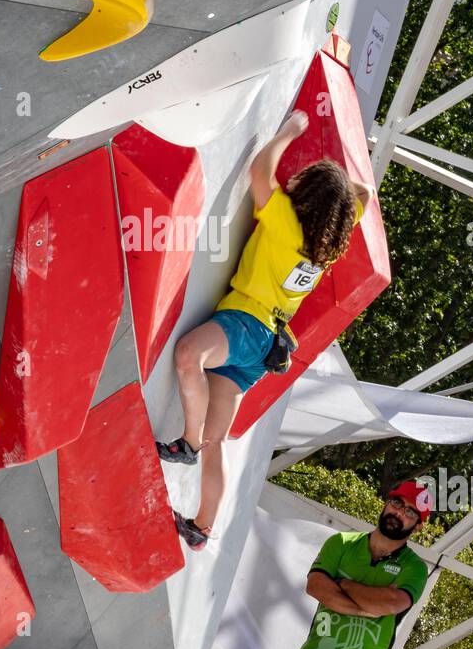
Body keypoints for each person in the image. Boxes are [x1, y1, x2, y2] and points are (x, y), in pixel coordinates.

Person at [156, 108, 374, 549]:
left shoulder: (284, 221)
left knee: (187, 356)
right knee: (222, 441)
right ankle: (200, 528)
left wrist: (292, 131)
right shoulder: (326, 246)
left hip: (247, 323)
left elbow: (261, 169)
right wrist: (334, 191)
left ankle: (188, 443)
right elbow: (364, 194)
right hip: (267, 349)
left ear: (306, 195)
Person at [290, 482, 432, 649]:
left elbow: (389, 604)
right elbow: (316, 586)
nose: (399, 513)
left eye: (410, 512)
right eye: (397, 503)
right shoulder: (341, 542)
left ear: (417, 527)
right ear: (386, 503)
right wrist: (365, 610)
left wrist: (344, 584)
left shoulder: (415, 567)